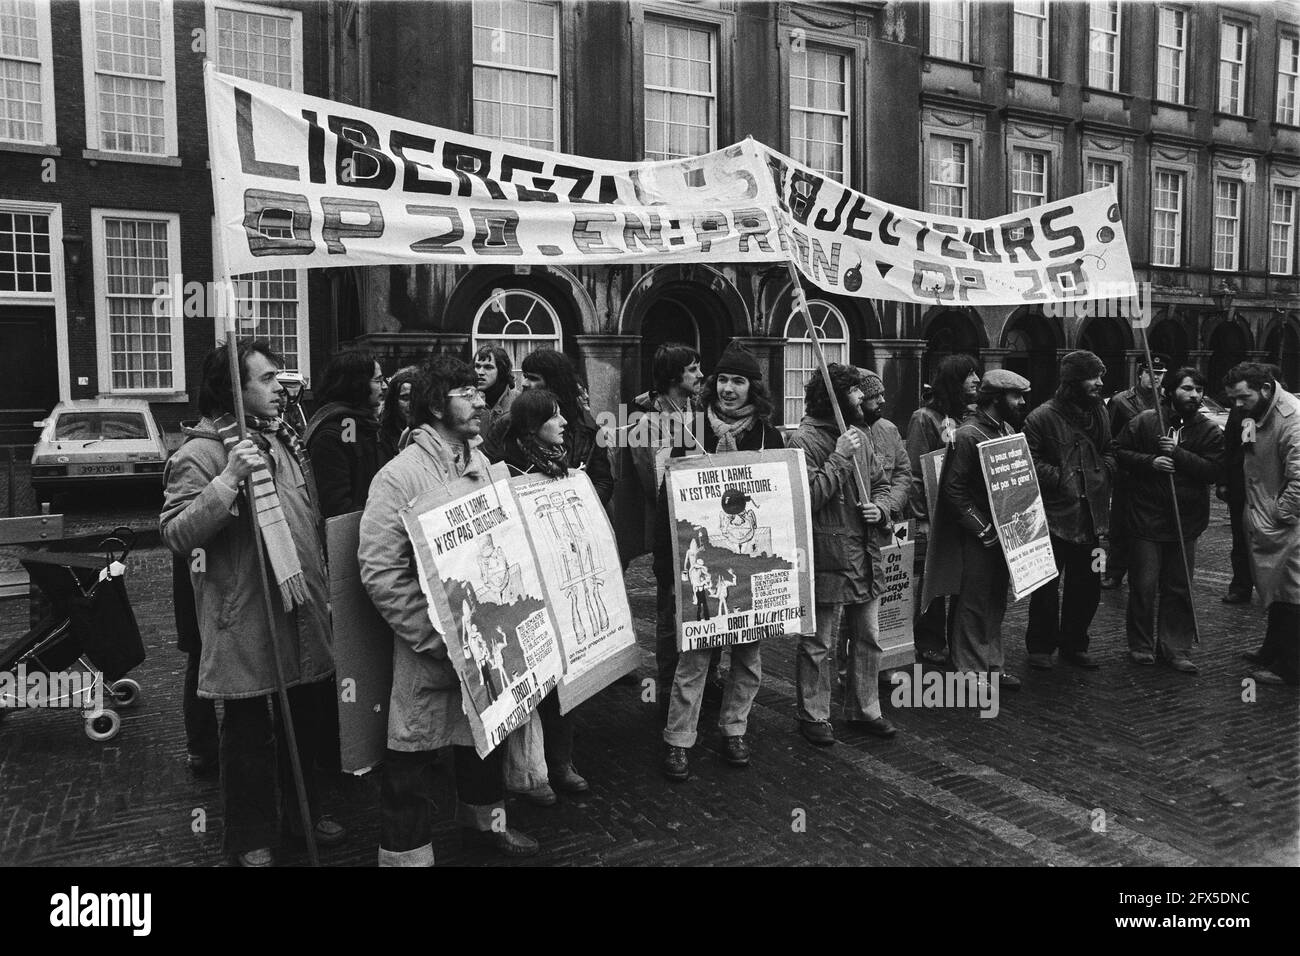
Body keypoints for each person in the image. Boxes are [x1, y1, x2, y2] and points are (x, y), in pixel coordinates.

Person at [160, 339, 341, 868]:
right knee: (246, 736)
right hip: (245, 619)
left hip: (299, 611)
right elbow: (176, 534)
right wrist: (227, 480)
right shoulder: (201, 453)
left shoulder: (282, 443)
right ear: (232, 391)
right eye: (265, 378)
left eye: (277, 377)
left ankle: (302, 814)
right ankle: (249, 836)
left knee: (303, 724)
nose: (279, 387)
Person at [359, 355, 539, 865]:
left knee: (485, 736)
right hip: (431, 648)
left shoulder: (477, 461)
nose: (481, 399)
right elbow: (379, 569)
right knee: (411, 755)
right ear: (436, 404)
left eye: (479, 391)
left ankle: (484, 828)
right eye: (467, 391)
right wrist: (434, 637)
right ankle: (406, 856)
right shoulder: (399, 476)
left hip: (483, 638)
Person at [661, 343, 784, 780]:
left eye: (740, 381)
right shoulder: (688, 429)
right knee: (695, 656)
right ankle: (678, 741)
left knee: (748, 657)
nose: (730, 390)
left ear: (753, 387)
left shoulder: (770, 436)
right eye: (724, 380)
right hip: (703, 568)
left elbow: (781, 503)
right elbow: (669, 498)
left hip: (748, 566)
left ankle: (735, 727)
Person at [788, 363, 898, 748]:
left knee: (868, 636)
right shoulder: (801, 442)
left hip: (865, 553)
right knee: (819, 642)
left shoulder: (862, 437)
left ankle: (864, 708)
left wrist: (881, 509)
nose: (862, 399)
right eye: (854, 392)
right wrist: (837, 457)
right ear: (831, 396)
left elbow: (882, 485)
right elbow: (807, 499)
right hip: (827, 554)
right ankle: (814, 713)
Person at [491, 387, 592, 803]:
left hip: (562, 581)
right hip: (527, 591)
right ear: (533, 426)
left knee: (564, 677)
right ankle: (531, 772)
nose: (564, 423)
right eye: (554, 417)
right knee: (533, 679)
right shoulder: (506, 468)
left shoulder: (562, 464)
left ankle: (562, 760)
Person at [1115, 367, 1223, 673]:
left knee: (1179, 586)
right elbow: (1119, 451)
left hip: (1185, 521)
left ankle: (1175, 647)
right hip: (1146, 518)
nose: (1195, 395)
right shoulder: (1146, 422)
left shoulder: (1209, 430)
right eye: (1188, 389)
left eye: (1199, 390)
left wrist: (1177, 454)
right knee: (1144, 585)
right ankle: (1140, 645)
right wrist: (1150, 461)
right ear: (1170, 391)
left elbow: (1214, 471)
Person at [1023, 350, 1115, 670]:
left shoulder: (1100, 412)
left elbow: (1108, 450)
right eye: (1093, 377)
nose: (1099, 383)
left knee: (1087, 586)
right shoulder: (1041, 417)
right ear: (1073, 381)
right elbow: (1030, 462)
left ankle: (1075, 643)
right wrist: (1063, 479)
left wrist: (1103, 472)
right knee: (1046, 588)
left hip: (1092, 518)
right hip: (1053, 517)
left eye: (1100, 376)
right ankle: (1040, 646)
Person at [940, 370, 1032, 689]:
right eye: (1015, 396)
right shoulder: (967, 435)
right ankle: (969, 672)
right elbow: (954, 490)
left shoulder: (1004, 429)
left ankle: (993, 664)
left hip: (1005, 532)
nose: (1022, 402)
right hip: (978, 536)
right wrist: (982, 530)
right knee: (973, 602)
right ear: (995, 399)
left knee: (996, 599)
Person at [628, 342, 704, 710]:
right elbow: (650, 484)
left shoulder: (702, 412)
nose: (701, 376)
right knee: (669, 611)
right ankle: (667, 685)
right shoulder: (646, 422)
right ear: (675, 376)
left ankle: (705, 682)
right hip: (669, 531)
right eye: (692, 369)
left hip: (703, 530)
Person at [1225, 363, 1300, 687]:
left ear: (1266, 389)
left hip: (1286, 525)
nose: (1237, 405)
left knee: (1293, 594)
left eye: (1243, 397)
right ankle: (1273, 650)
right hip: (1265, 516)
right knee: (1277, 591)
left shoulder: (1292, 420)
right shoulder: (1256, 414)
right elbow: (1249, 453)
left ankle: (1291, 666)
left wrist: (1277, 515)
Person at [906, 354, 979, 666]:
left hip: (961, 513)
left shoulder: (966, 418)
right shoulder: (923, 418)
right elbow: (915, 472)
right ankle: (929, 640)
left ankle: (959, 640)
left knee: (960, 578)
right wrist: (922, 517)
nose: (976, 379)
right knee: (933, 580)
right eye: (968, 375)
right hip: (934, 516)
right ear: (953, 380)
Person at [848, 368, 911, 681]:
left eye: (881, 395)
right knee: (853, 608)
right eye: (873, 397)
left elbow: (902, 472)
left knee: (890, 597)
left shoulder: (888, 429)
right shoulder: (844, 432)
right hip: (854, 533)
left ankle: (883, 665)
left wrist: (889, 506)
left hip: (887, 527)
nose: (881, 401)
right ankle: (849, 669)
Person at [488, 348, 613, 504]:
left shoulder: (587, 429)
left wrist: (580, 505)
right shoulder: (507, 423)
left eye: (533, 378)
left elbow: (602, 482)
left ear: (554, 384)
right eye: (525, 376)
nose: (524, 383)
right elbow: (492, 480)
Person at [1102, 354, 1169, 589]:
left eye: (1160, 375)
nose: (1155, 379)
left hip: (1156, 474)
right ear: (1140, 373)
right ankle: (1114, 572)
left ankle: (1150, 575)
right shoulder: (1120, 401)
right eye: (1150, 373)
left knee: (1152, 526)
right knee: (1119, 524)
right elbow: (1109, 437)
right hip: (1127, 471)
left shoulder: (1166, 402)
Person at [304, 349, 388, 518]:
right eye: (378, 380)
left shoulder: (358, 424)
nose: (385, 385)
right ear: (358, 384)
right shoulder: (336, 433)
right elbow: (337, 505)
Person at [172, 552, 216, 778]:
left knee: (198, 661)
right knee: (199, 660)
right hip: (204, 585)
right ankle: (202, 748)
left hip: (197, 583)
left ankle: (201, 749)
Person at [1218, 395, 1257, 604]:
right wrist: (1223, 481)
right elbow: (1229, 445)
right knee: (1240, 540)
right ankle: (1241, 587)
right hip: (1240, 485)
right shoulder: (1238, 410)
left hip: (1268, 486)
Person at [378, 365, 419, 461]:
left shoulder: (433, 432)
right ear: (393, 401)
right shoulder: (381, 436)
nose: (412, 404)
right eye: (405, 398)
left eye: (416, 397)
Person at [474, 345, 517, 433]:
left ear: (501, 370)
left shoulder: (518, 402)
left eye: (488, 367)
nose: (480, 372)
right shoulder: (471, 402)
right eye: (477, 366)